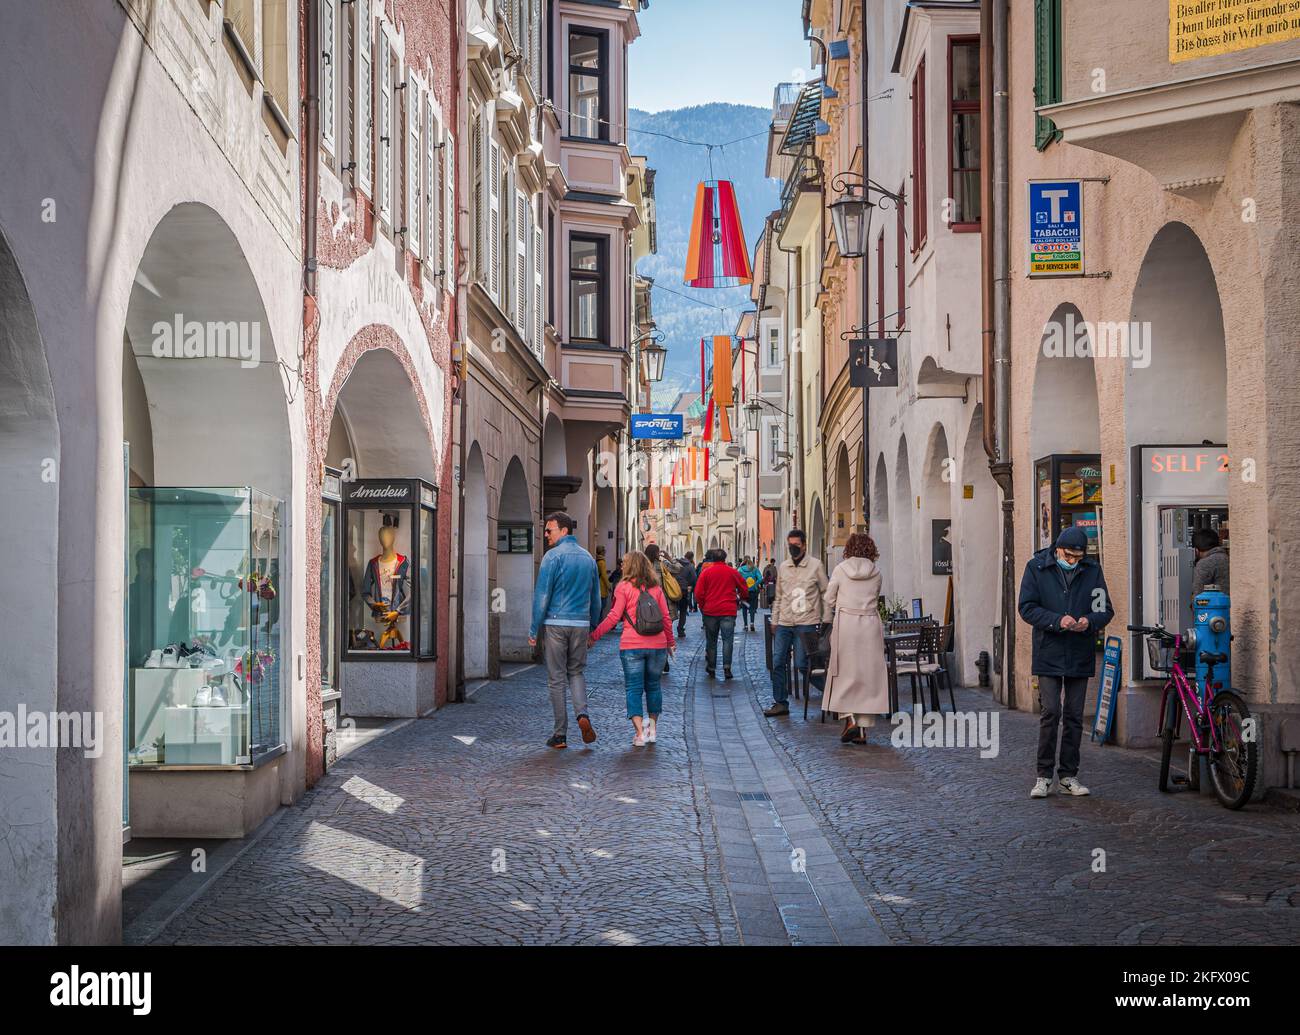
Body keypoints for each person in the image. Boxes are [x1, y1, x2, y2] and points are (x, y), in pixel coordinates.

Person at [1018, 525, 1115, 798]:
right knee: (1050, 712)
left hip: (1079, 650)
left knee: (1074, 716)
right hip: (1048, 650)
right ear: (1057, 549)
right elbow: (1026, 607)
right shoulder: (1037, 568)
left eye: (1077, 557)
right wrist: (1056, 620)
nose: (1073, 561)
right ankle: (1043, 776)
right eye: (1069, 556)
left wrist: (1089, 621)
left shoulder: (1092, 570)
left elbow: (1104, 609)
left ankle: (1068, 776)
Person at [529, 512, 602, 749]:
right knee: (577, 672)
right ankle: (583, 715)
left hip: (555, 623)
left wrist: (533, 628)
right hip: (580, 623)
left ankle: (560, 734)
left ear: (564, 531)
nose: (546, 535)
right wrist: (592, 626)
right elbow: (596, 598)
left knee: (556, 678)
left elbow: (542, 596)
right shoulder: (588, 558)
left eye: (549, 530)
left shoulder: (552, 558)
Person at [589, 550, 676, 747]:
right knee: (653, 686)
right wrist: (670, 642)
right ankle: (652, 730)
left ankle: (639, 733)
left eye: (624, 563)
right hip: (657, 645)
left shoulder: (623, 587)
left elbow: (613, 616)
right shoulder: (656, 588)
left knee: (633, 688)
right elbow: (665, 618)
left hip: (632, 646)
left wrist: (594, 635)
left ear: (629, 566)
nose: (621, 566)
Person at [822, 534, 890, 744]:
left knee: (845, 672)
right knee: (867, 675)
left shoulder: (841, 569)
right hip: (869, 624)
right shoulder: (876, 572)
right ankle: (861, 729)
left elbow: (829, 597)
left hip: (847, 625)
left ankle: (849, 718)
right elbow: (876, 595)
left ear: (849, 549)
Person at [764, 530, 830, 718]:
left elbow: (826, 593)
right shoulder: (784, 567)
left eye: (796, 544)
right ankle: (780, 702)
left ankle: (833, 694)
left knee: (803, 664)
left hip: (806, 622)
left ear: (804, 545)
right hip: (784, 622)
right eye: (790, 544)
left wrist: (827, 619)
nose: (793, 548)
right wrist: (775, 620)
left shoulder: (816, 566)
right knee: (778, 663)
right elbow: (779, 595)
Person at [694, 549, 749, 679]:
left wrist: (703, 606)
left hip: (710, 610)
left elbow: (698, 593)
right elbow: (743, 587)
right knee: (727, 640)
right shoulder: (732, 572)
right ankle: (727, 668)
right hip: (728, 610)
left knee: (711, 640)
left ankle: (712, 667)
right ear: (725, 558)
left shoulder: (706, 573)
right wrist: (742, 598)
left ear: (712, 558)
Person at [644, 543, 679, 671]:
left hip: (645, 604)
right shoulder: (662, 564)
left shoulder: (642, 566)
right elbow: (678, 568)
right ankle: (663, 661)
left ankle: (653, 660)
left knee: (648, 633)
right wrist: (669, 558)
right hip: (662, 603)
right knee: (664, 633)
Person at [1191, 527, 1229, 599]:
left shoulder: (1204, 564)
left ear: (1196, 550)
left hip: (1213, 608)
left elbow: (1198, 595)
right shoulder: (1227, 558)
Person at [675, 551, 698, 634]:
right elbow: (694, 578)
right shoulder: (690, 566)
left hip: (673, 589)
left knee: (670, 610)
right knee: (683, 610)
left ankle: (668, 629)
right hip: (683, 590)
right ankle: (680, 629)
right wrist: (689, 584)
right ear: (691, 558)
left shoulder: (676, 562)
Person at [737, 555, 762, 631]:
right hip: (753, 592)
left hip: (744, 592)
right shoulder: (754, 569)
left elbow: (737, 579)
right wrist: (755, 584)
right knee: (752, 608)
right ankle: (752, 623)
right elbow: (760, 579)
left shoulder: (740, 569)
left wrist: (740, 587)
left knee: (744, 608)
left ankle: (745, 625)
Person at [595, 544, 611, 616]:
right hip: (602, 588)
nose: (605, 552)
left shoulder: (597, 561)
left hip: (598, 586)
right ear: (602, 552)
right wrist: (609, 586)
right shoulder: (602, 562)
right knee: (602, 606)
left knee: (599, 608)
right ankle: (599, 624)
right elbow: (604, 576)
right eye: (604, 551)